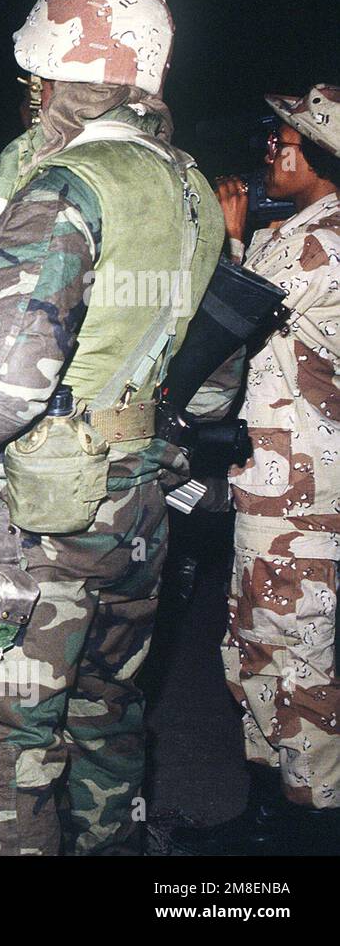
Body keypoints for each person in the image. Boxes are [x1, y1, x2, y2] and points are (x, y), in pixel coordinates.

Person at [0, 0, 227, 854]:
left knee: (1, 743)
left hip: (47, 515)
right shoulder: (188, 184)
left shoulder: (66, 189)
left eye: (36, 78)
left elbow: (4, 378)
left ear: (61, 80)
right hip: (140, 505)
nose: (30, 93)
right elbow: (215, 366)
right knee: (107, 713)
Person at [177, 84, 340, 855]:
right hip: (267, 483)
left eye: (287, 142)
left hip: (307, 495)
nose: (271, 152)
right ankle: (264, 815)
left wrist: (228, 239)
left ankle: (312, 831)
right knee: (252, 650)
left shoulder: (326, 240)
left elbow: (229, 319)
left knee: (297, 663)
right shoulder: (297, 228)